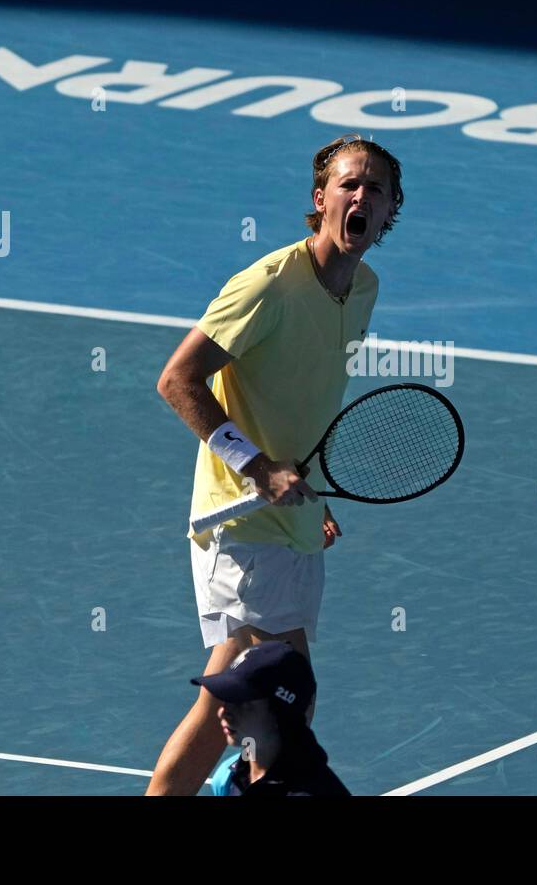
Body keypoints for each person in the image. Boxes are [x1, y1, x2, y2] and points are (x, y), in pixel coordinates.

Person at [146, 134, 404, 795]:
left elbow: (307, 399)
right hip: (243, 522)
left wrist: (312, 496)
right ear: (320, 201)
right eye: (348, 185)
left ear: (390, 211)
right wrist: (258, 467)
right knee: (288, 699)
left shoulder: (363, 288)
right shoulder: (267, 286)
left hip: (287, 518)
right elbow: (177, 381)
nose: (360, 197)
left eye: (375, 189)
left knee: (227, 708)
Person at [194, 641, 350, 796]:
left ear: (280, 714)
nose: (223, 712)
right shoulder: (228, 778)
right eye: (227, 699)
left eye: (242, 703)